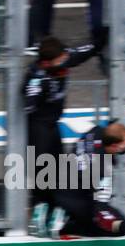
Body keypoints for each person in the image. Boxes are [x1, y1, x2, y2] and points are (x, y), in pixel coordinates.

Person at [24, 34, 103, 208]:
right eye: (60, 61)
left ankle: (60, 204)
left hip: (53, 125)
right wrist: (39, 91)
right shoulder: (37, 79)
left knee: (60, 167)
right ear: (46, 63)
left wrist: (102, 38)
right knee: (42, 172)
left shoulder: (63, 58)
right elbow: (27, 105)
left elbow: (84, 52)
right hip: (38, 128)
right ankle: (40, 206)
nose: (65, 63)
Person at [35, 121, 125, 237]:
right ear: (114, 146)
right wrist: (117, 224)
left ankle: (52, 210)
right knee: (123, 227)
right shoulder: (103, 170)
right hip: (76, 200)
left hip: (57, 186)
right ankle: (64, 225)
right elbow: (100, 207)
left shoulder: (95, 132)